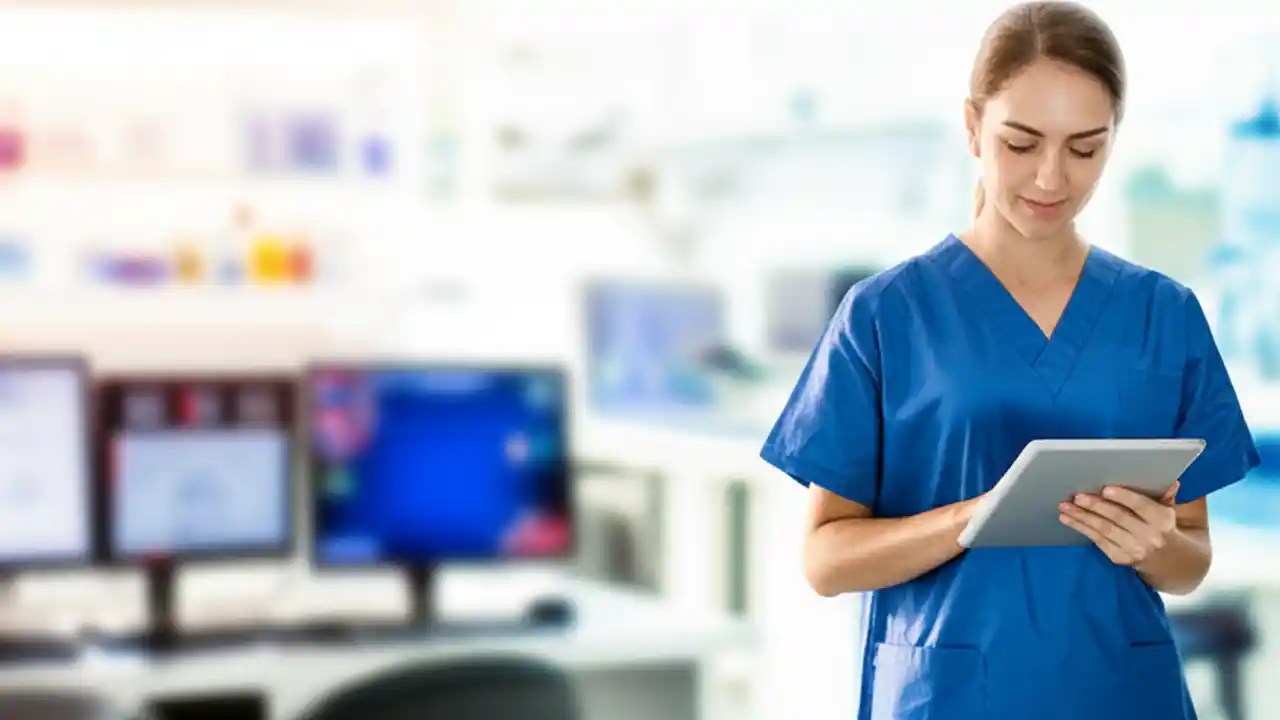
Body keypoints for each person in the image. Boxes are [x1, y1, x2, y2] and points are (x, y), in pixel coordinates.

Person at [758, 3, 1261, 719]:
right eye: (1021, 143)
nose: (1051, 177)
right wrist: (973, 518)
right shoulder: (887, 314)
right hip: (949, 694)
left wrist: (1152, 545)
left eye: (1085, 149)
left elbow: (1191, 560)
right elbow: (826, 560)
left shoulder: (1163, 314)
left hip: (1120, 692)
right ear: (973, 127)